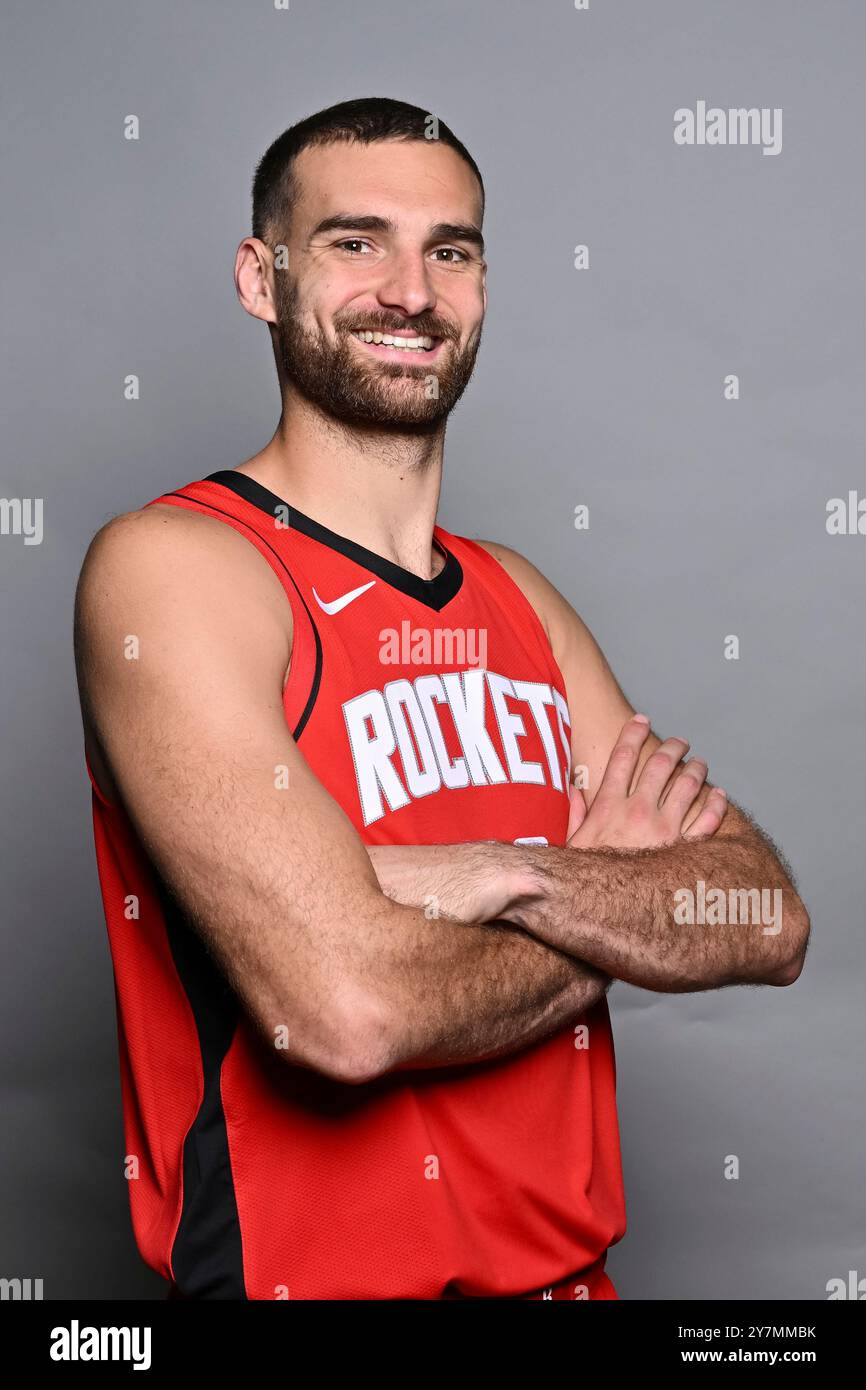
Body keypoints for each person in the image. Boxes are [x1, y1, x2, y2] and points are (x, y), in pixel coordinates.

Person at [74, 97, 809, 1301]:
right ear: (261, 278)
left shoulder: (519, 594)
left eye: (449, 251)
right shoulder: (182, 567)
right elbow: (347, 1013)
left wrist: (479, 872)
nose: (409, 291)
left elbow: (761, 918)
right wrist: (602, 903)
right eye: (355, 242)